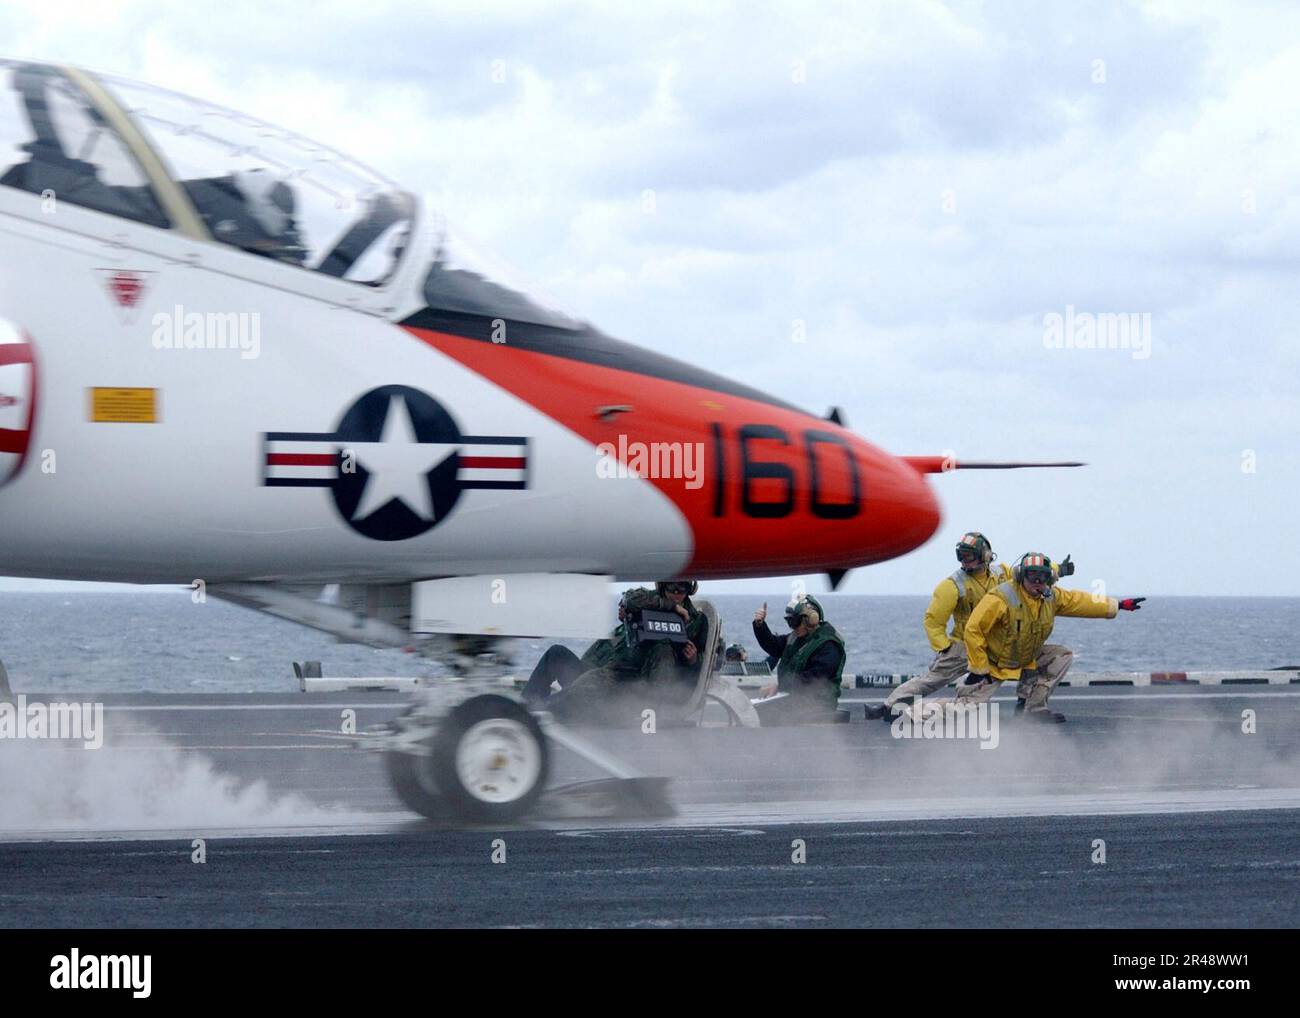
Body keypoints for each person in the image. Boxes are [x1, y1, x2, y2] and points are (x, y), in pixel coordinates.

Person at [865, 532, 1073, 721]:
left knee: (1028, 659)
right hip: (963, 645)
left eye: (969, 555)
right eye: (961, 556)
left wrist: (1059, 570)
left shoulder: (1002, 573)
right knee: (932, 680)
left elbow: (1032, 570)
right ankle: (888, 707)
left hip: (994, 645)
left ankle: (1025, 704)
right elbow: (933, 619)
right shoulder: (952, 585)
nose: (965, 560)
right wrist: (943, 646)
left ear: (985, 554)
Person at [954, 552, 1145, 722]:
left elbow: (1082, 602)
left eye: (1042, 576)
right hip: (993, 663)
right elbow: (973, 629)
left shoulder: (1051, 597)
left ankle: (1032, 708)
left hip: (1024, 658)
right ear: (1021, 576)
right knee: (958, 712)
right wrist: (979, 668)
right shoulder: (1002, 598)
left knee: (1061, 655)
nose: (1037, 581)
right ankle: (924, 711)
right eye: (1032, 575)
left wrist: (1118, 605)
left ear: (1050, 578)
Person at [752, 594, 847, 723]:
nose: (792, 626)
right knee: (758, 713)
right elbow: (774, 646)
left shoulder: (828, 645)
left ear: (811, 619)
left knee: (771, 718)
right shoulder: (796, 637)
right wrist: (760, 625)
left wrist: (779, 687)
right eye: (789, 621)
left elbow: (814, 679)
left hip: (818, 703)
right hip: (795, 700)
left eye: (795, 621)